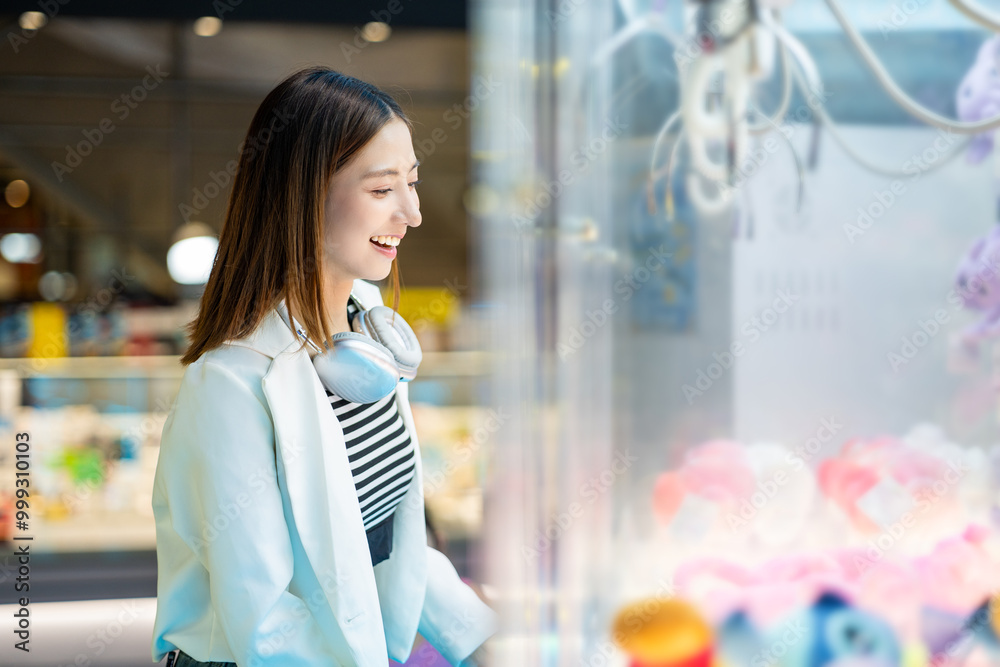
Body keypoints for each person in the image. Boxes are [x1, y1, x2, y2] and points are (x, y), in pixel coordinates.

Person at [149, 66, 498, 666]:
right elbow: (265, 626)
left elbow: (386, 549)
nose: (412, 212)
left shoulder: (366, 334)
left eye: (413, 183)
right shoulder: (230, 382)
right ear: (304, 195)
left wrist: (490, 643)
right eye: (383, 190)